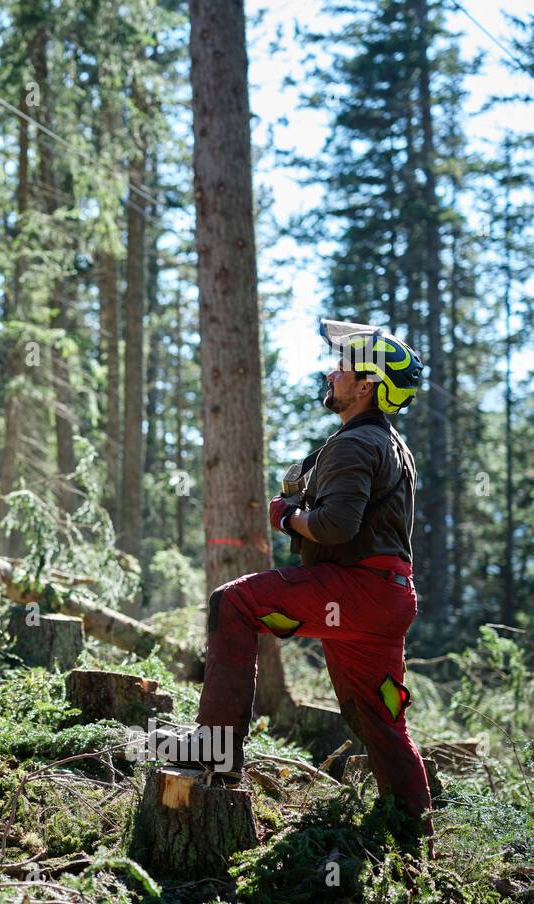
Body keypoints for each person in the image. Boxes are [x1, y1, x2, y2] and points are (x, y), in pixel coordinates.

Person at [163, 319, 432, 850]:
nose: (332, 373)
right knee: (377, 717)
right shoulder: (389, 443)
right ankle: (413, 840)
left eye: (344, 368)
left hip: (352, 590)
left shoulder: (356, 444)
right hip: (386, 595)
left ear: (366, 387)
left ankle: (213, 749)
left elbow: (335, 527)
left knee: (234, 601)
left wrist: (286, 514)